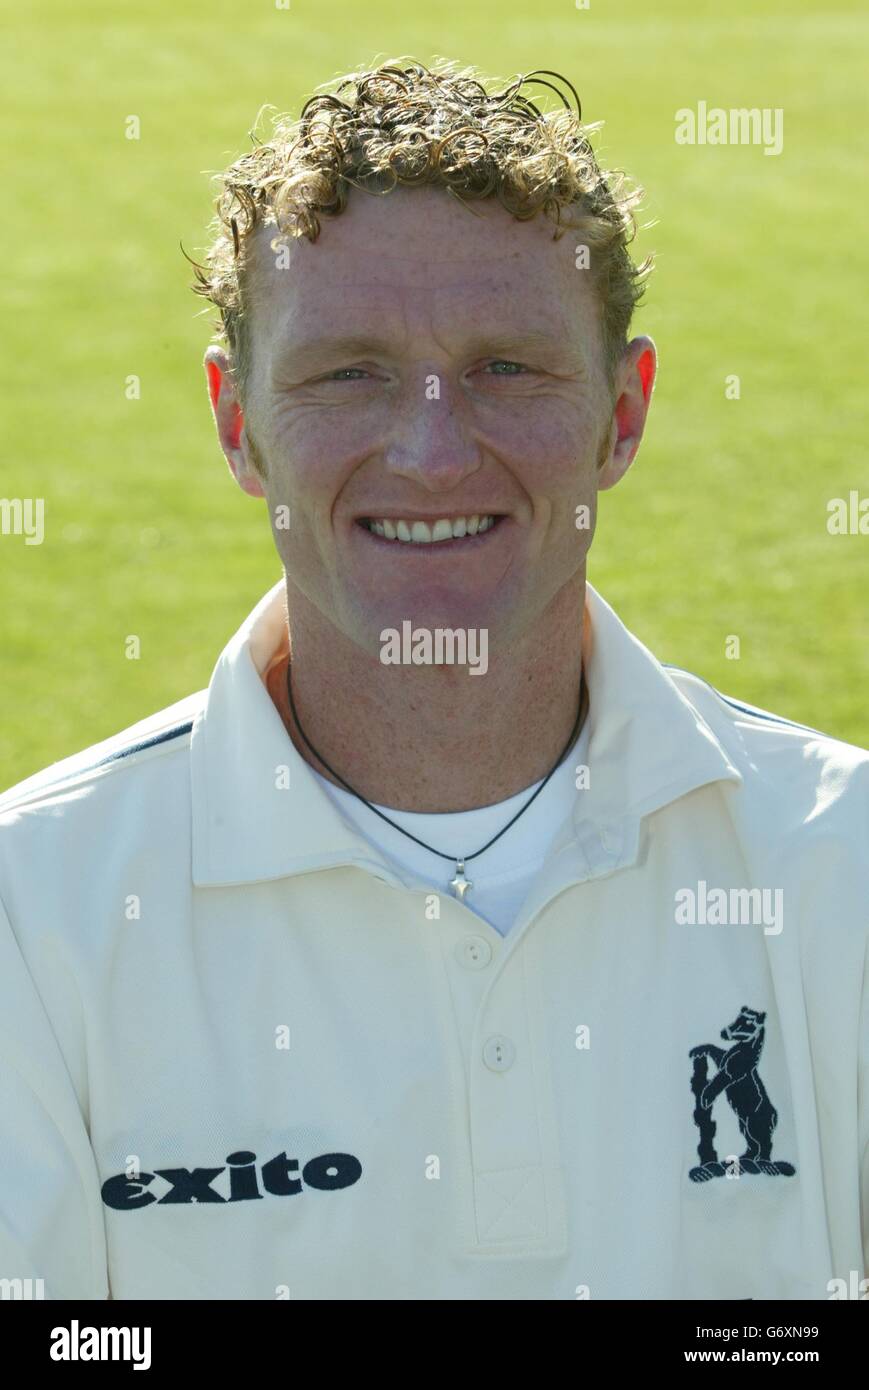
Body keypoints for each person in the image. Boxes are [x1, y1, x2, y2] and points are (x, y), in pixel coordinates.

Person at [0, 59, 866, 1302]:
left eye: (506, 367)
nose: (431, 447)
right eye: (345, 372)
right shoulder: (32, 915)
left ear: (623, 412)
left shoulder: (840, 865)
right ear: (235, 422)